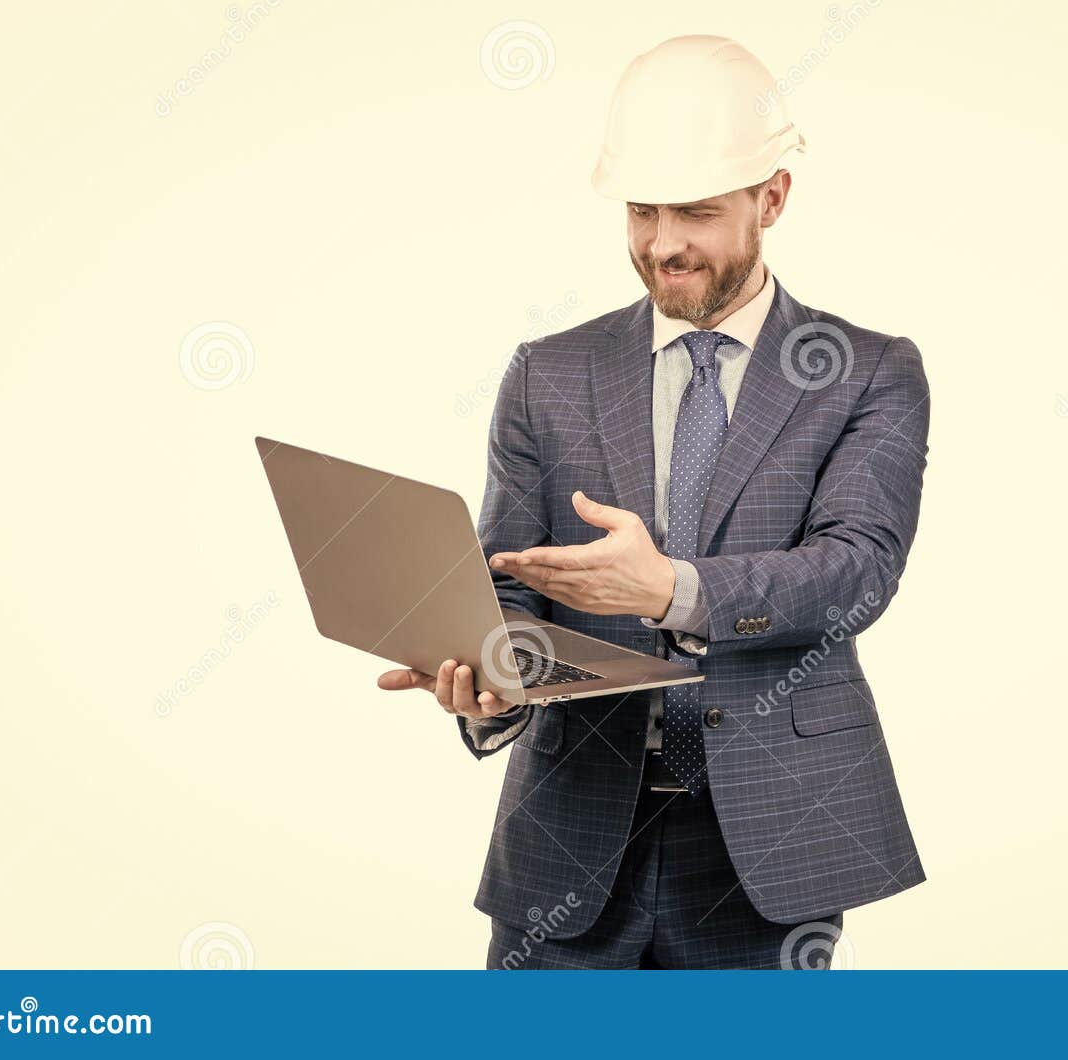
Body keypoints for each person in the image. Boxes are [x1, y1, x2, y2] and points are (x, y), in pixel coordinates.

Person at [378, 34, 929, 970]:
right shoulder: (548, 373)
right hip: (568, 840)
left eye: (697, 214)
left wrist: (671, 589)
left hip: (768, 843)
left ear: (773, 199)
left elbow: (857, 572)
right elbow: (507, 580)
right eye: (642, 211)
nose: (663, 244)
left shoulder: (869, 372)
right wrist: (491, 677)